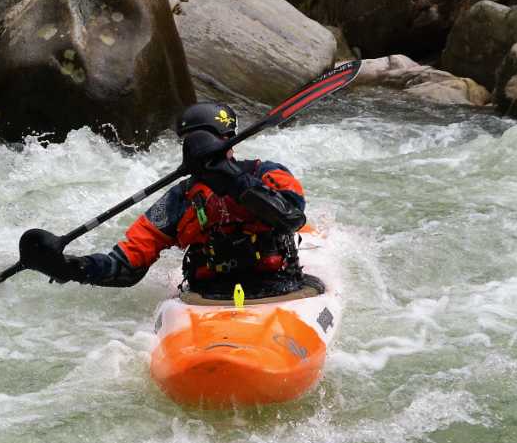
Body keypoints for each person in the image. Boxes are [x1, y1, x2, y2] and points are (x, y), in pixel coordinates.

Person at [18, 102, 311, 298]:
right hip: (207, 296)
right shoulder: (179, 199)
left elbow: (292, 217)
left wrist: (233, 181)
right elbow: (126, 266)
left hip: (280, 287)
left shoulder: (268, 174)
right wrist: (71, 268)